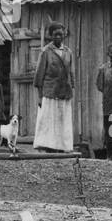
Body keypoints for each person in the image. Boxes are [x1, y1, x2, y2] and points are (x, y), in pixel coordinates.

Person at [33, 23, 74, 152]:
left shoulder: (68, 52)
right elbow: (39, 75)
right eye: (55, 34)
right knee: (49, 120)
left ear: (64, 35)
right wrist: (40, 96)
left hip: (64, 91)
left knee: (63, 119)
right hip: (50, 91)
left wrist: (71, 87)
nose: (58, 37)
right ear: (51, 36)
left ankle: (62, 147)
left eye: (60, 34)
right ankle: (49, 147)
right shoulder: (45, 51)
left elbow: (71, 72)